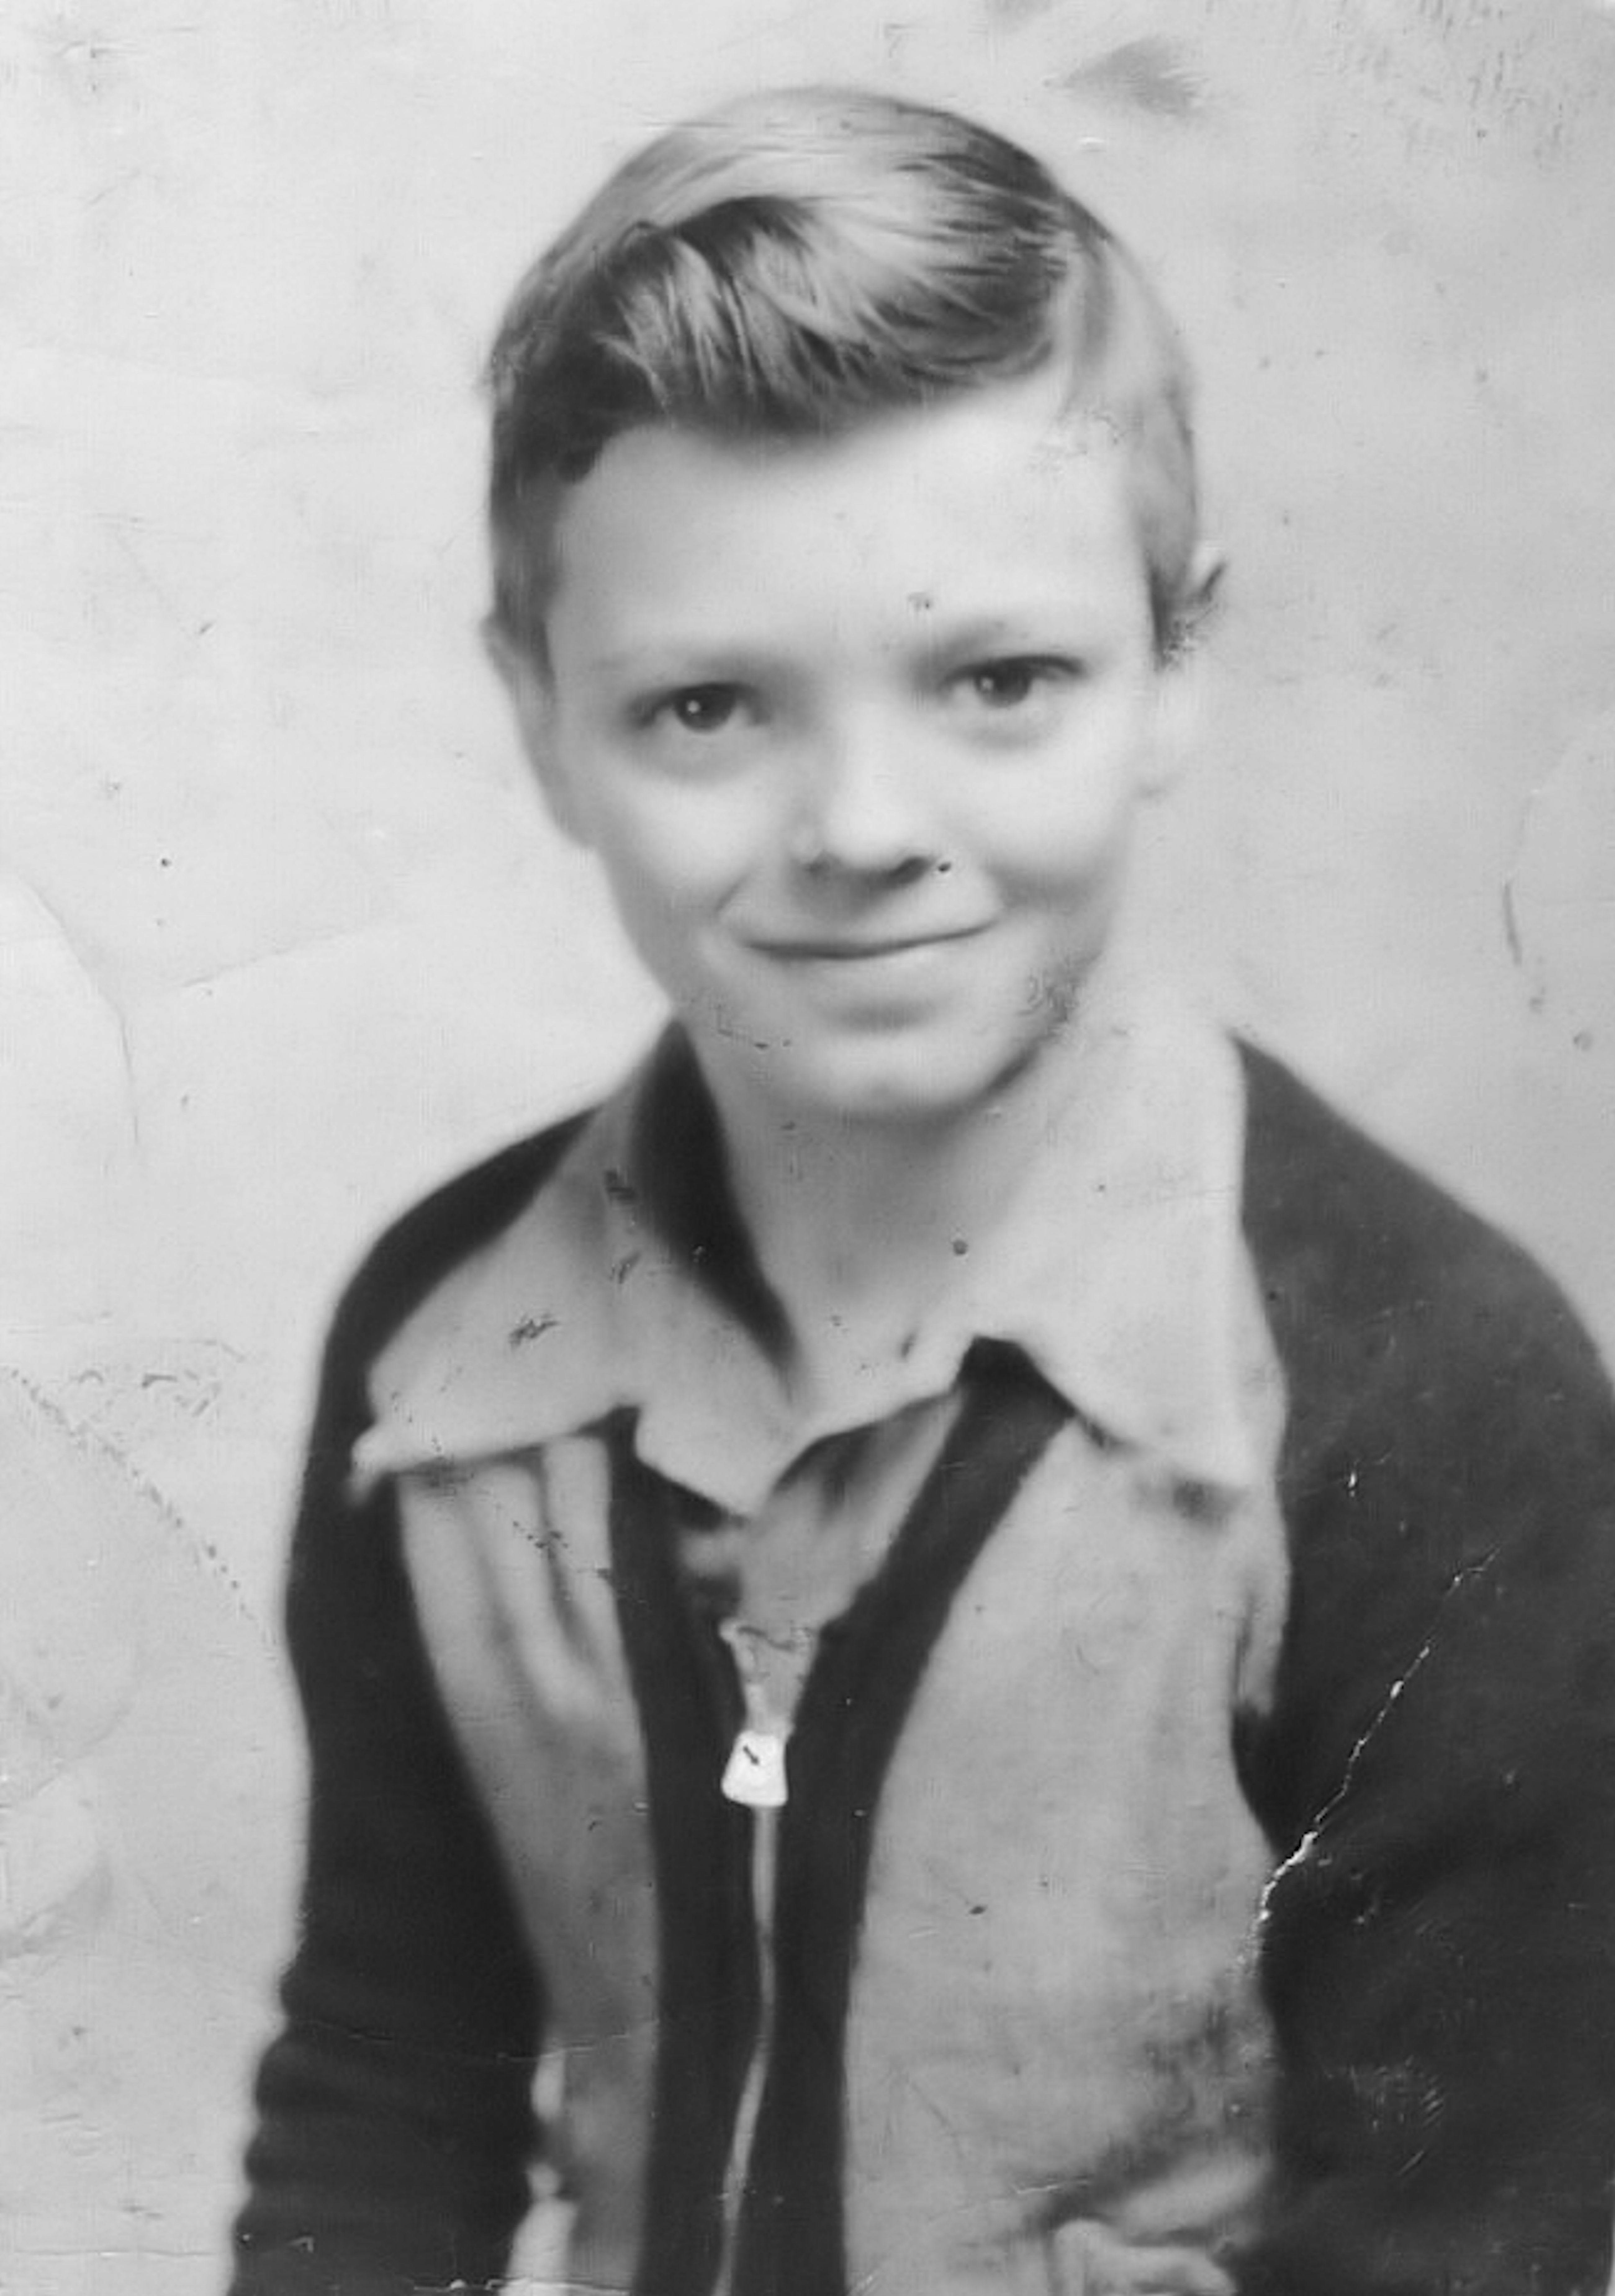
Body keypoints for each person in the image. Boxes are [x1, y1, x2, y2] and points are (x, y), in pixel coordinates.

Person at [229, 84, 1615, 2296]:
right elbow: (386, 2081)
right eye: (706, 706)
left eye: (997, 676)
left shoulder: (1427, 1394)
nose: (864, 820)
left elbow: (1474, 2231)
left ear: (1172, 660)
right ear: (535, 715)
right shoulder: (438, 1350)